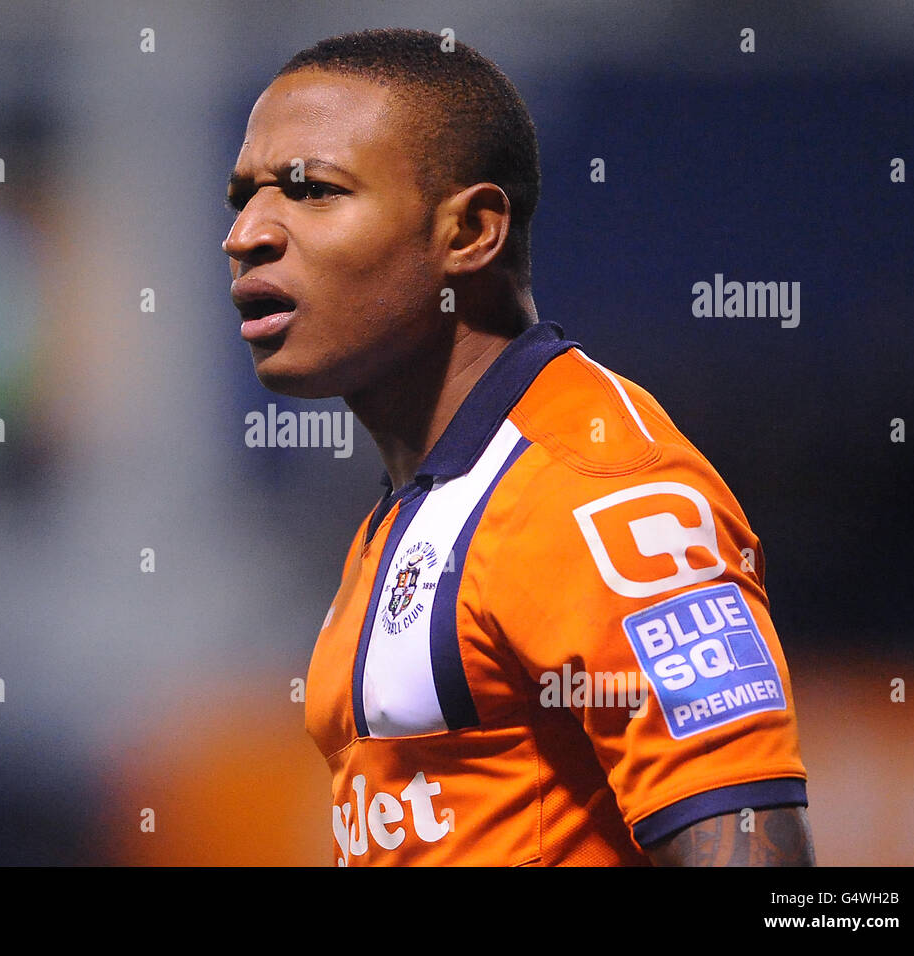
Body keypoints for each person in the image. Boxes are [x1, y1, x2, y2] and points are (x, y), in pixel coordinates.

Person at [222, 28, 813, 866]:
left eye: (310, 190)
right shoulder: (414, 509)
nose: (246, 233)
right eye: (242, 197)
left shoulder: (596, 490)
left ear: (470, 233)